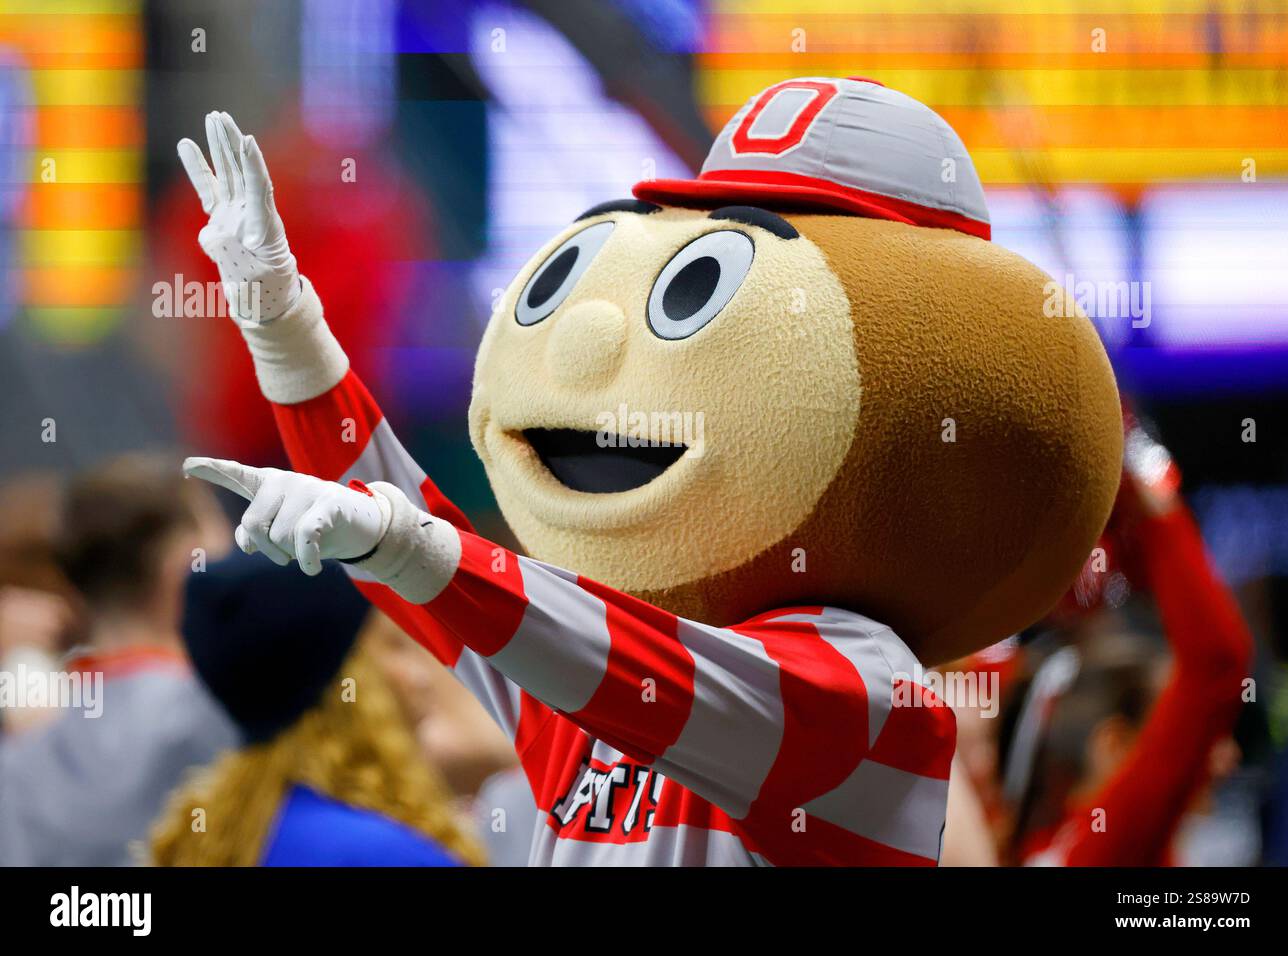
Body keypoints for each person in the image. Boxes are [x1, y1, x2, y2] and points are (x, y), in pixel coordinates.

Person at [172, 84, 1120, 865]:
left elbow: (627, 663)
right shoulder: (585, 660)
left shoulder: (871, 697)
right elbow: (430, 551)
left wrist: (414, 550)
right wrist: (284, 329)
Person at [999, 420, 1254, 866]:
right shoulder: (1104, 852)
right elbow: (1216, 663)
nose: (1227, 756)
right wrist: (1133, 452)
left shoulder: (1050, 846)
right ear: (1114, 744)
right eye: (1201, 734)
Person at [151, 551, 482, 867]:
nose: (420, 677)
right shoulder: (384, 853)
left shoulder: (222, 831)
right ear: (347, 681)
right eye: (394, 645)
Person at [0, 455, 237, 866]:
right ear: (182, 566)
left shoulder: (23, 735)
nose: (235, 549)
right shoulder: (221, 712)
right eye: (219, 532)